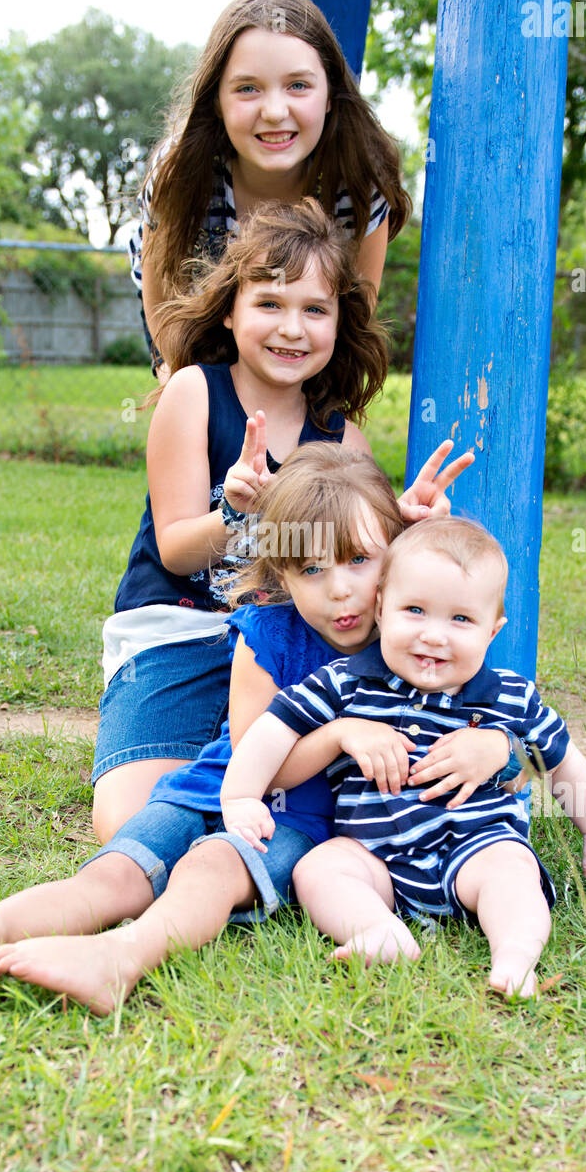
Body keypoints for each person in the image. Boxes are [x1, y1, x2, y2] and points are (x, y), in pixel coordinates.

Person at [0, 449, 523, 1012]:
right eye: (312, 568)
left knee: (210, 868)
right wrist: (344, 733)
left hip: (290, 822)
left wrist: (492, 744)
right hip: (206, 788)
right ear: (283, 575)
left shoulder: (413, 646)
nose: (340, 589)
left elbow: (505, 724)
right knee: (116, 874)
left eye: (360, 561)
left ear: (392, 567)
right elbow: (255, 752)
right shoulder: (266, 636)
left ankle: (122, 959)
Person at [93, 198, 472, 847]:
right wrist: (233, 514)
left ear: (337, 323)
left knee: (311, 824)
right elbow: (178, 550)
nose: (291, 327)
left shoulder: (341, 436)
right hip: (183, 633)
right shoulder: (195, 394)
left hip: (292, 643)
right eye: (270, 303)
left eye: (314, 309)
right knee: (129, 830)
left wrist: (406, 529)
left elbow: (363, 568)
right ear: (231, 308)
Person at [221, 517, 586, 999]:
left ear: (493, 630)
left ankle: (515, 955)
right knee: (319, 870)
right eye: (415, 610)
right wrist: (240, 795)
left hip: (476, 845)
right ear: (381, 609)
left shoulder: (509, 698)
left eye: (461, 620)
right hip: (374, 856)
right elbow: (273, 729)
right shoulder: (346, 682)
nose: (435, 636)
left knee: (512, 872)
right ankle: (380, 932)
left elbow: (561, 762)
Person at [128, 0, 411, 379]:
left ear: (330, 93)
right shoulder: (179, 172)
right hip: (192, 328)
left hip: (306, 349)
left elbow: (352, 321)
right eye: (248, 89)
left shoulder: (361, 179)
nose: (276, 112)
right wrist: (181, 387)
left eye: (298, 85)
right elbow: (162, 307)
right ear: (217, 100)